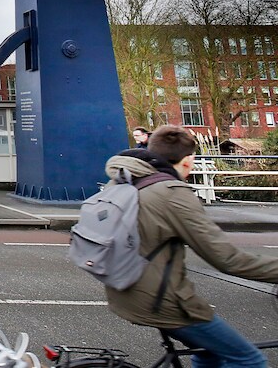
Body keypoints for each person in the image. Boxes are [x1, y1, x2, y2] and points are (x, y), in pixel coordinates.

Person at [104, 124, 278, 368]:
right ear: (186, 160)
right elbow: (228, 260)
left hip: (123, 289)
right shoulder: (172, 193)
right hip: (161, 301)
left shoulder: (128, 181)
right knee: (249, 359)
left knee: (209, 352)